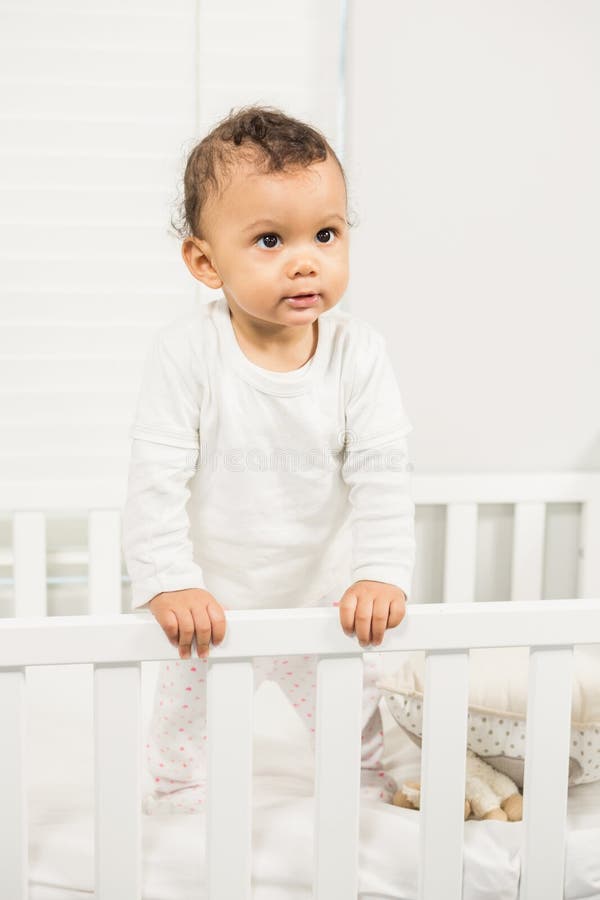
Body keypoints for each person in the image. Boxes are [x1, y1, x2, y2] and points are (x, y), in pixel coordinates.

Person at [122, 104, 416, 814]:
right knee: (182, 751)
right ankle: (181, 830)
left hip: (325, 601)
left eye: (326, 233)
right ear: (205, 261)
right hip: (212, 604)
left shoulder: (358, 353)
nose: (305, 258)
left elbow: (383, 474)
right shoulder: (187, 353)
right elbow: (155, 479)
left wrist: (379, 573)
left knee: (361, 750)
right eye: (268, 240)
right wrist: (168, 582)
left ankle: (369, 824)